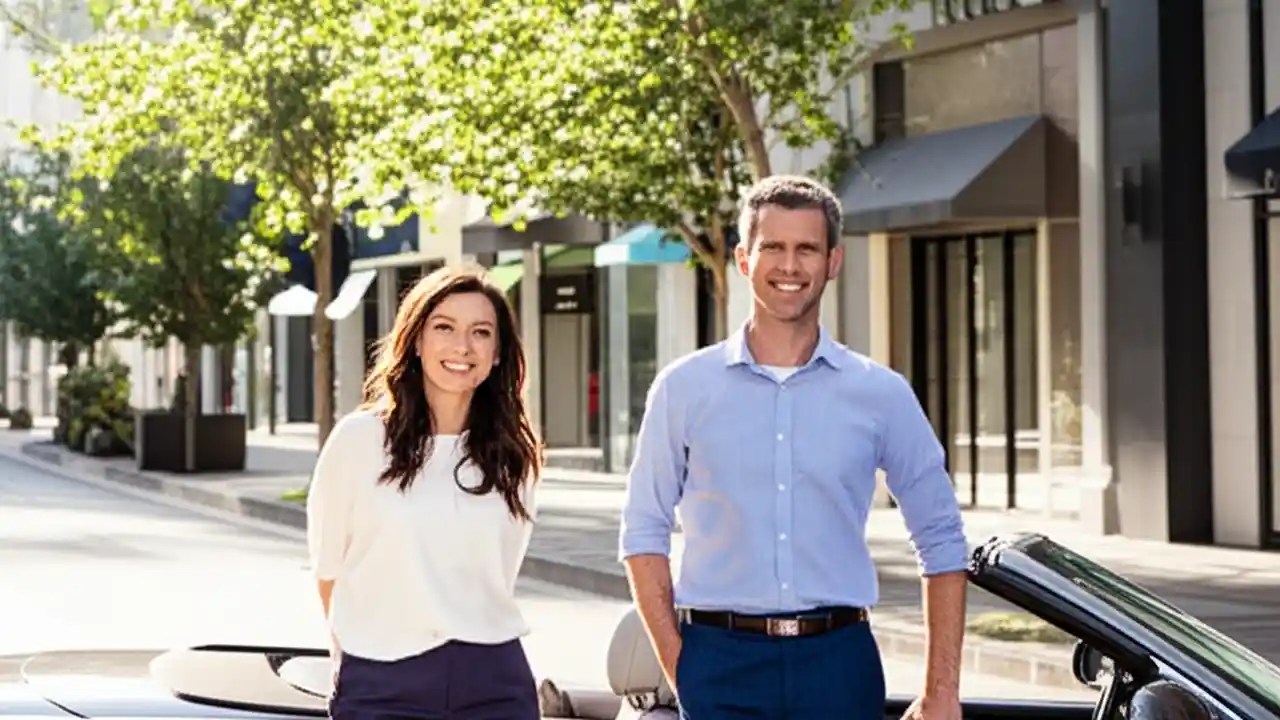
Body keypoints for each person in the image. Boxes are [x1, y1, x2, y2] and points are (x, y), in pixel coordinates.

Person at [618, 175, 969, 720]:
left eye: (807, 248)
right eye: (773, 247)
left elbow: (943, 539)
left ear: (833, 261)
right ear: (743, 258)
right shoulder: (684, 388)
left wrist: (942, 690)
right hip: (717, 661)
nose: (789, 265)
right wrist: (679, 661)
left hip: (838, 663)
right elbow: (643, 531)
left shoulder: (881, 394)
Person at [306, 265, 543, 720]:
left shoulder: (514, 456)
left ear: (497, 353)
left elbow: (497, 575)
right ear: (416, 341)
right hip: (383, 681)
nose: (462, 347)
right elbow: (328, 568)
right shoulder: (360, 440)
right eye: (444, 328)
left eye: (481, 332)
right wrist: (352, 657)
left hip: (495, 679)